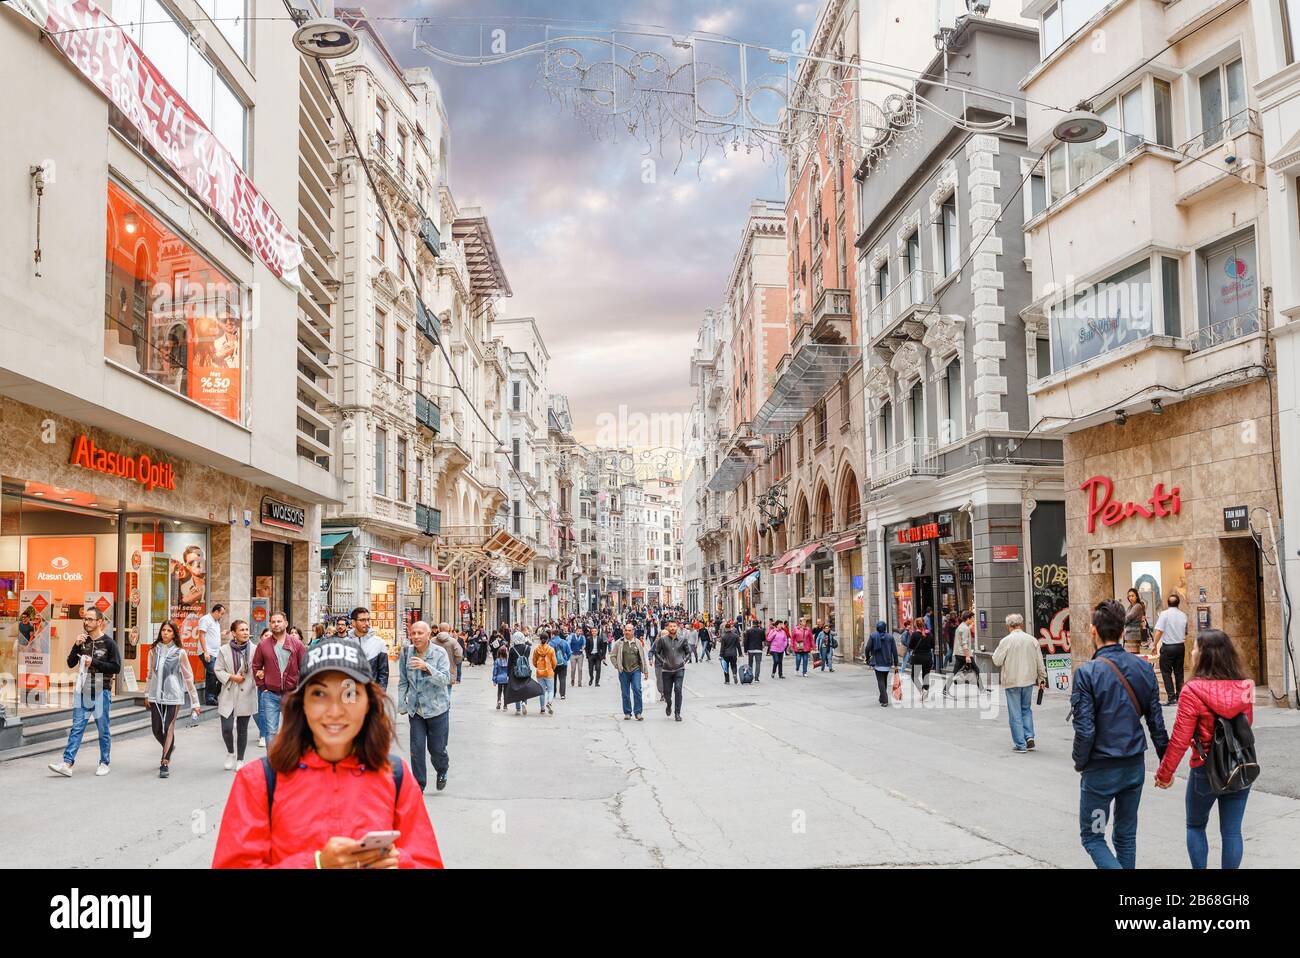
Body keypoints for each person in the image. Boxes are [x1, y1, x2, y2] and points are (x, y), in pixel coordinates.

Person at [211, 636, 442, 868]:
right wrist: (317, 864)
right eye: (320, 694)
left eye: (349, 693)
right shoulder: (258, 781)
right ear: (302, 704)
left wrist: (396, 863)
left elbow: (427, 860)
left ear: (369, 703)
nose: (334, 711)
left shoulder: (396, 777)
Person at [1071, 599, 1168, 869]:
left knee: (1093, 835)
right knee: (1125, 835)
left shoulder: (1087, 673)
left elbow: (1085, 729)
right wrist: (1165, 765)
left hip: (1101, 771)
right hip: (1133, 768)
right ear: (1123, 632)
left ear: (1093, 630)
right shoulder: (1142, 668)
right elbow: (1156, 724)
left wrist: (1080, 762)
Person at [1153, 629, 1255, 869]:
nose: (1192, 651)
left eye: (1196, 648)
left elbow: (1180, 739)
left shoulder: (1192, 690)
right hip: (1239, 765)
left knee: (1195, 826)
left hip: (1205, 768)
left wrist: (1164, 774)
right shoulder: (1245, 687)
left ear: (1206, 655)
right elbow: (1245, 726)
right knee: (1232, 832)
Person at [48, 607, 121, 778]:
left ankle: (104, 762)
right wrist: (76, 645)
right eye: (85, 619)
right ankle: (67, 763)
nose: (86, 622)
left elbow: (116, 667)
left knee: (103, 729)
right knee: (77, 728)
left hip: (101, 691)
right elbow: (70, 663)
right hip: (83, 690)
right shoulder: (83, 642)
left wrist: (93, 662)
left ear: (99, 622)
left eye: (90, 619)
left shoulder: (109, 643)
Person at [398, 621, 453, 792]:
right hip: (416, 710)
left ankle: (442, 769)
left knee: (437, 749)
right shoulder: (406, 652)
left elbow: (446, 679)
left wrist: (427, 668)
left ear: (428, 634)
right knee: (417, 749)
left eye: (420, 633)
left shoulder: (439, 653)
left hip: (437, 709)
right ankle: (418, 786)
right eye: (413, 633)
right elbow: (403, 681)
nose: (416, 637)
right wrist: (402, 703)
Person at [144, 620, 201, 778]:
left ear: (174, 634)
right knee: (156, 729)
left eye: (169, 631)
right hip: (155, 695)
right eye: (164, 630)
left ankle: (164, 762)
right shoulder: (154, 650)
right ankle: (168, 746)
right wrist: (146, 694)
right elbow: (150, 673)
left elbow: (189, 678)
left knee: (169, 727)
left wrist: (195, 702)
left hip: (173, 695)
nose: (165, 633)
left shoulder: (180, 652)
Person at [991, 613, 1047, 752]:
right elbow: (1040, 661)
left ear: (1008, 626)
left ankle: (1020, 744)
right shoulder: (1032, 640)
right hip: (1028, 680)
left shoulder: (1006, 641)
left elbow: (996, 660)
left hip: (1012, 681)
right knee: (1026, 709)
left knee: (1015, 713)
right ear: (1021, 624)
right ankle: (1029, 736)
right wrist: (1042, 678)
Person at [251, 612, 307, 743]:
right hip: (270, 694)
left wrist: (301, 688)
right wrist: (262, 687)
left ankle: (291, 761)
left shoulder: (297, 644)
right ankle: (273, 762)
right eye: (273, 622)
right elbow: (256, 666)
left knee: (293, 730)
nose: (276, 624)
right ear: (270, 624)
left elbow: (305, 666)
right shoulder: (263, 645)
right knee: (271, 731)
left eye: (279, 621)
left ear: (286, 623)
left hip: (291, 693)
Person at [215, 618, 258, 770]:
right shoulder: (224, 650)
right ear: (234, 633)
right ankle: (230, 753)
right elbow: (218, 669)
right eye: (242, 630)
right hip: (228, 692)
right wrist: (232, 677)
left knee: (242, 729)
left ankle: (240, 759)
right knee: (226, 728)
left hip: (246, 692)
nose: (246, 633)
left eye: (247, 630)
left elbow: (259, 668)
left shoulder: (255, 649)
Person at [1153, 593, 1189, 705]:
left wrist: (1154, 645)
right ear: (1178, 603)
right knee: (1179, 672)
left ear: (1167, 603)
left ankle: (1171, 697)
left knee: (1166, 672)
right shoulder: (1184, 615)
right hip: (1180, 647)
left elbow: (1159, 631)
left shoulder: (1164, 614)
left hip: (1168, 647)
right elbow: (1186, 632)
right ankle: (1180, 697)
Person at [611, 624, 650, 720]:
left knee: (637, 689)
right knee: (625, 693)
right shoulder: (619, 643)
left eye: (629, 630)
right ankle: (627, 712)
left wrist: (645, 671)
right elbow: (612, 656)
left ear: (633, 631)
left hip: (635, 670)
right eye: (626, 630)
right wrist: (618, 666)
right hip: (623, 671)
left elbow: (642, 657)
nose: (627, 632)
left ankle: (638, 712)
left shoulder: (638, 643)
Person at [653, 620, 691, 722]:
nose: (673, 628)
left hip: (679, 669)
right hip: (666, 670)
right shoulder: (662, 640)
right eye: (671, 626)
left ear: (677, 628)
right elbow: (656, 652)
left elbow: (688, 652)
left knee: (678, 689)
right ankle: (669, 704)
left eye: (674, 626)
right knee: (667, 693)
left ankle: (677, 713)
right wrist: (663, 661)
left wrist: (684, 661)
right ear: (668, 628)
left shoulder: (683, 639)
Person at [942, 611, 985, 698]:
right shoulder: (965, 628)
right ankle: (982, 689)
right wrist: (967, 656)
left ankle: (945, 690)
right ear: (968, 618)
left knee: (955, 672)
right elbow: (964, 643)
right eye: (972, 618)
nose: (973, 619)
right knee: (976, 669)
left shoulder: (961, 626)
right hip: (964, 654)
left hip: (959, 653)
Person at [349, 608, 389, 691]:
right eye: (362, 620)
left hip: (371, 694)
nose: (367, 623)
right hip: (349, 695)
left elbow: (383, 673)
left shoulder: (379, 643)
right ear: (353, 622)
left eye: (368, 619)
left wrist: (380, 695)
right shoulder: (344, 643)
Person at [505, 630, 543, 715]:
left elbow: (510, 662)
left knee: (516, 689)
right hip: (525, 670)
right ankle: (524, 703)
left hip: (515, 671)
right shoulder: (527, 648)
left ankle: (518, 709)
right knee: (524, 688)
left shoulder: (512, 649)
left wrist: (508, 674)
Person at [197, 603, 225, 706]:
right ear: (216, 611)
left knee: (211, 675)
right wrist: (205, 652)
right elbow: (201, 635)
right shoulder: (205, 619)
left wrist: (223, 633)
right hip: (207, 653)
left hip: (215, 653)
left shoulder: (216, 622)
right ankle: (212, 696)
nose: (221, 616)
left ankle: (210, 698)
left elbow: (212, 634)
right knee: (216, 673)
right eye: (221, 613)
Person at [866, 621, 898, 706]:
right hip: (887, 662)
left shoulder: (873, 636)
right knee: (883, 680)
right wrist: (896, 663)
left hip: (877, 662)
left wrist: (867, 658)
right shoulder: (890, 637)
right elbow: (894, 651)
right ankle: (882, 697)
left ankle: (884, 700)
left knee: (880, 681)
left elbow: (867, 648)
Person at [905, 617, 935, 698]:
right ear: (924, 624)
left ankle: (922, 691)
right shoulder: (929, 634)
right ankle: (925, 690)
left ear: (916, 625)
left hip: (918, 659)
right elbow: (933, 645)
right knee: (926, 676)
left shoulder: (914, 635)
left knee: (914, 676)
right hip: (927, 658)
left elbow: (910, 646)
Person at [531, 631, 557, 716]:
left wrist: (538, 667)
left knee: (541, 691)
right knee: (550, 690)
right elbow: (554, 662)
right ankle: (549, 702)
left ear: (540, 639)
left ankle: (542, 708)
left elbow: (534, 661)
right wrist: (552, 668)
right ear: (547, 639)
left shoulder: (536, 650)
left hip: (540, 672)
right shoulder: (551, 650)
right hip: (548, 672)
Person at [549, 628, 571, 700]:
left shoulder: (550, 643)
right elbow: (569, 652)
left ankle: (553, 693)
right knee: (562, 678)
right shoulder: (564, 642)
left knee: (553, 678)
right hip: (563, 663)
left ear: (553, 634)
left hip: (553, 663)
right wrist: (566, 659)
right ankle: (562, 694)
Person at [1123, 588, 1147, 655]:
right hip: (1129, 634)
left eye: (1132, 596)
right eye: (1129, 596)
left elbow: (1127, 618)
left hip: (1134, 634)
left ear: (1136, 596)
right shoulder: (1130, 606)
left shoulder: (1137, 606)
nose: (1131, 598)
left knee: (1133, 657)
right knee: (1129, 656)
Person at [743, 616, 765, 683]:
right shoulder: (761, 631)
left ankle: (750, 676)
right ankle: (756, 678)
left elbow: (746, 641)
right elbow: (763, 639)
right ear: (758, 624)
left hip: (750, 649)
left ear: (752, 624)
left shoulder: (749, 631)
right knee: (758, 663)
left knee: (750, 663)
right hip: (758, 649)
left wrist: (745, 650)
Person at [492, 642, 510, 709]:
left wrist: (494, 680)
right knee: (505, 692)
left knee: (499, 691)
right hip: (506, 678)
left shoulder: (497, 660)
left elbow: (495, 671)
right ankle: (505, 705)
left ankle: (499, 701)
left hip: (499, 678)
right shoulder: (508, 661)